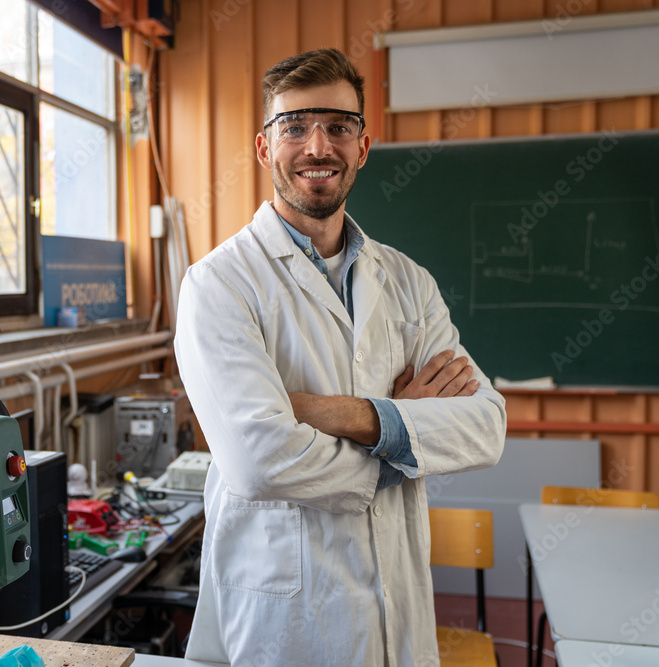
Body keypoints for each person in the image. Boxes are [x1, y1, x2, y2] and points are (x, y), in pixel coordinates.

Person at [173, 48, 506, 666]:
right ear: (264, 147)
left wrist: (344, 415)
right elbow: (259, 462)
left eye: (338, 126)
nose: (317, 146)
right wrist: (403, 439)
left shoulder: (408, 281)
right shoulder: (218, 285)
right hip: (289, 622)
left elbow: (486, 427)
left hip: (398, 609)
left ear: (363, 145)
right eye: (294, 127)